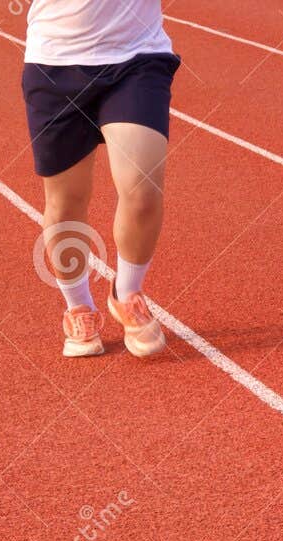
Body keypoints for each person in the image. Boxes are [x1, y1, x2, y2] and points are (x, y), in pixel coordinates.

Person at [21, 0, 180, 357]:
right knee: (65, 202)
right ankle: (78, 306)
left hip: (137, 59)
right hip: (54, 63)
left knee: (143, 191)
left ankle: (126, 294)